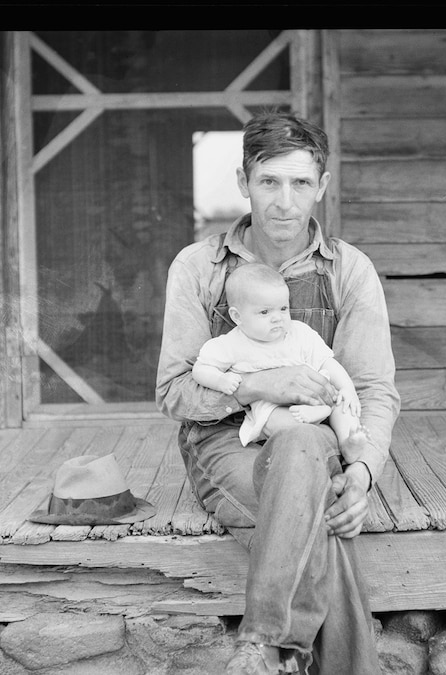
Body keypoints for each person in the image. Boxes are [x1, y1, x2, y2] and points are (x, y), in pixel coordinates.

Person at [156, 111, 399, 675]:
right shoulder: (200, 268)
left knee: (305, 452)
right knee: (319, 524)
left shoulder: (349, 272)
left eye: (300, 183)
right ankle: (284, 649)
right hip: (228, 443)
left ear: (322, 186)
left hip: (322, 442)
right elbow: (174, 391)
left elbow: (371, 390)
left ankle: (264, 647)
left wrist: (362, 474)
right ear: (244, 182)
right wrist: (259, 386)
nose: (284, 201)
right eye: (269, 182)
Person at [191, 261, 369, 455]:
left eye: (283, 308)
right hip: (273, 406)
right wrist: (220, 380)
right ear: (237, 317)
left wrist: (347, 388)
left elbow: (327, 362)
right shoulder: (231, 344)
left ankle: (349, 443)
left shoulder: (300, 333)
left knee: (344, 405)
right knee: (275, 421)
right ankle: (316, 420)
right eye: (265, 312)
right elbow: (201, 369)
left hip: (316, 393)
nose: (278, 317)